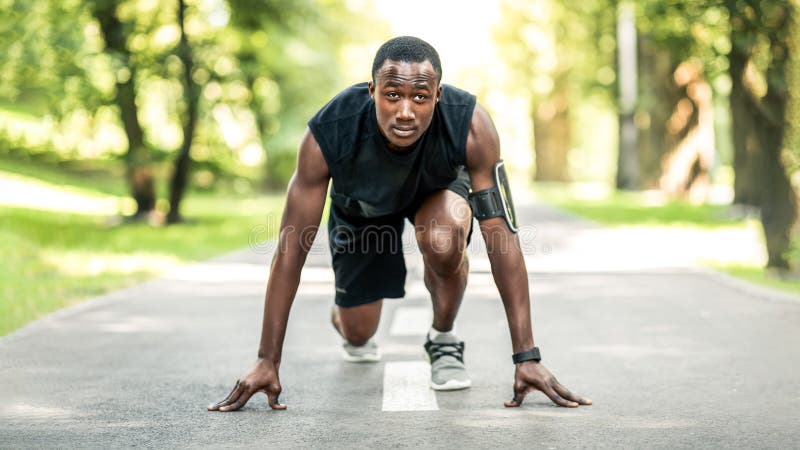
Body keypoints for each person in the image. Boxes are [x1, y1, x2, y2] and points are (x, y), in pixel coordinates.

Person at [208, 36, 591, 411]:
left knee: (444, 237)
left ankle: (442, 338)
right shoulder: (329, 132)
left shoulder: (471, 125)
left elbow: (502, 236)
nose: (405, 111)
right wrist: (267, 359)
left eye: (419, 97)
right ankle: (346, 309)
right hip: (362, 211)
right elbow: (289, 252)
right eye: (393, 95)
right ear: (372, 90)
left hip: (437, 194)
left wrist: (526, 356)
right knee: (358, 332)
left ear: (437, 95)